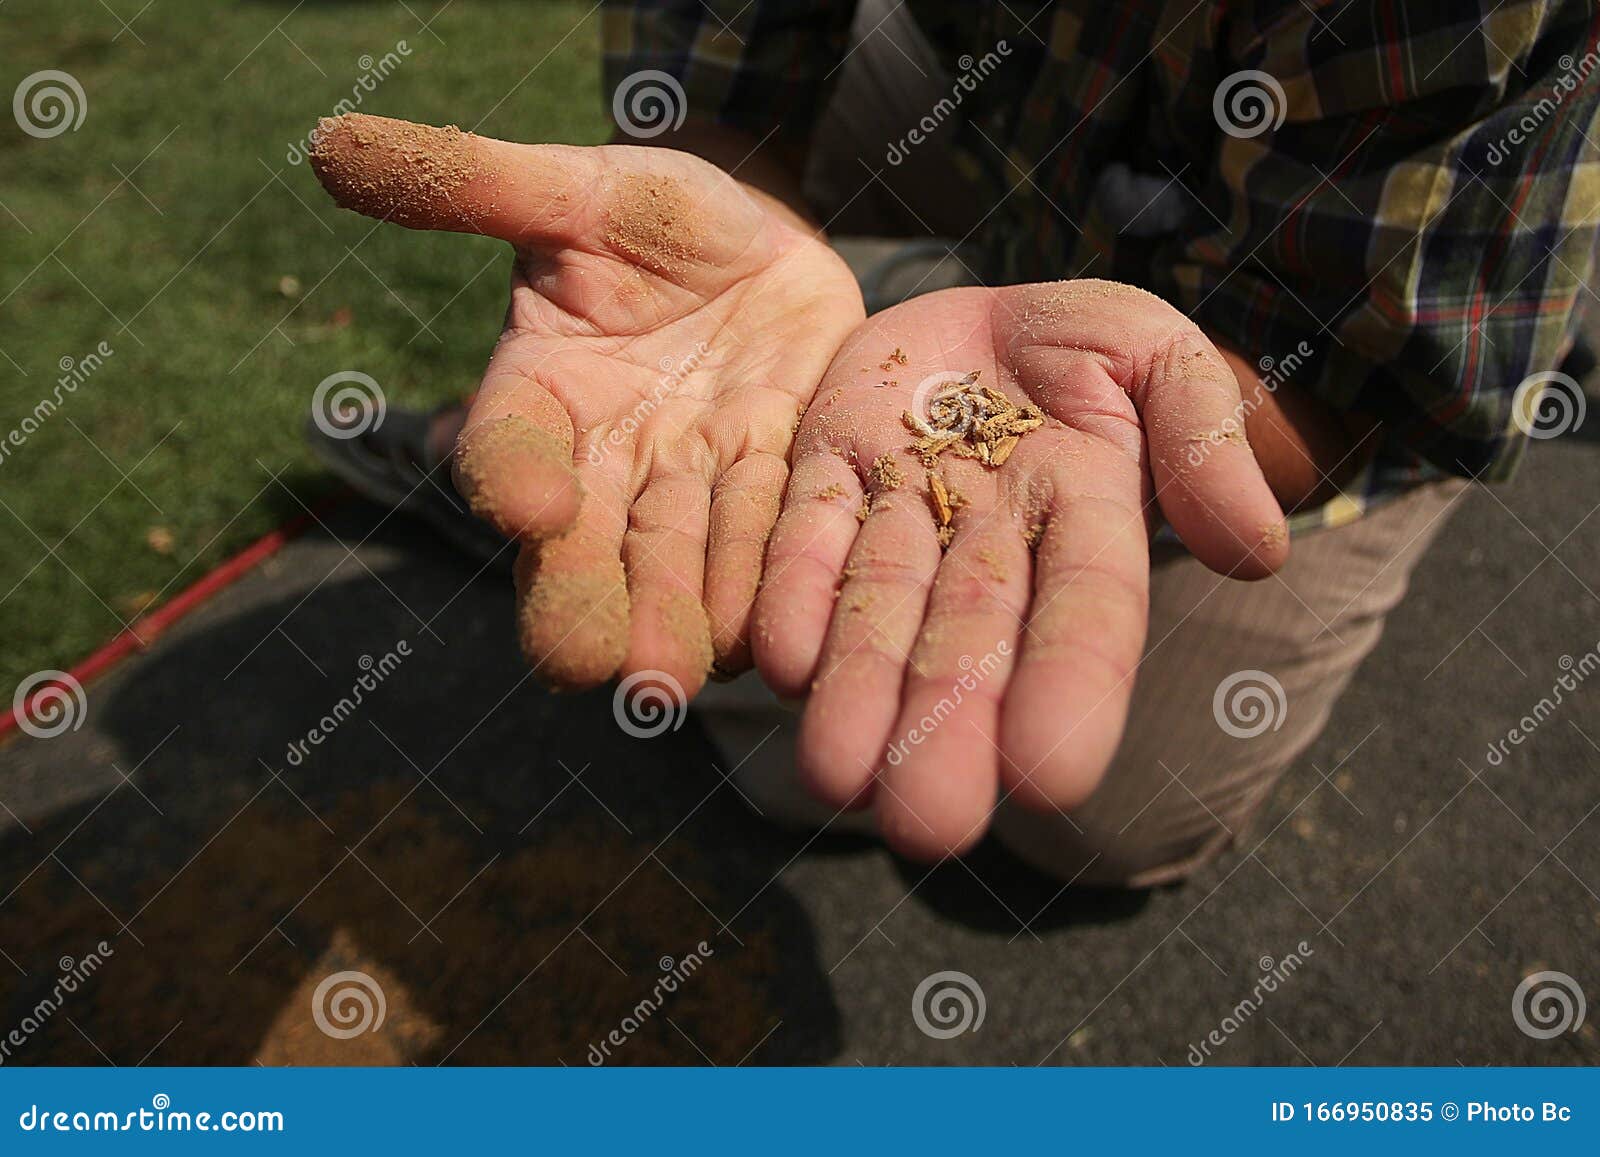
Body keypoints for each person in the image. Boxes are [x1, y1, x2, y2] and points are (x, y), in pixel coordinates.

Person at [306, 0, 1599, 885]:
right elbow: (728, 52)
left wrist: (1132, 386)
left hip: (1314, 318)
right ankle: (798, 339)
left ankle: (938, 305)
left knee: (1089, 808)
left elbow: (1363, 369)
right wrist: (735, 202)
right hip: (1011, 106)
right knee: (752, 671)